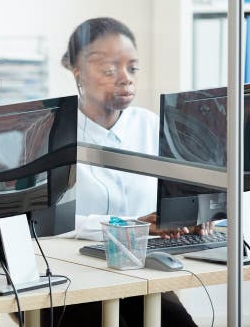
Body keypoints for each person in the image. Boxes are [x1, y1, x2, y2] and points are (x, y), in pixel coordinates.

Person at [44, 17, 199, 326]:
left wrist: (190, 217)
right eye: (110, 70)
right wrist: (131, 226)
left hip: (139, 275)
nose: (126, 79)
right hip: (68, 279)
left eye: (133, 68)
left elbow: (177, 198)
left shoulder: (151, 126)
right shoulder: (50, 133)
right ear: (78, 72)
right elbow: (45, 224)